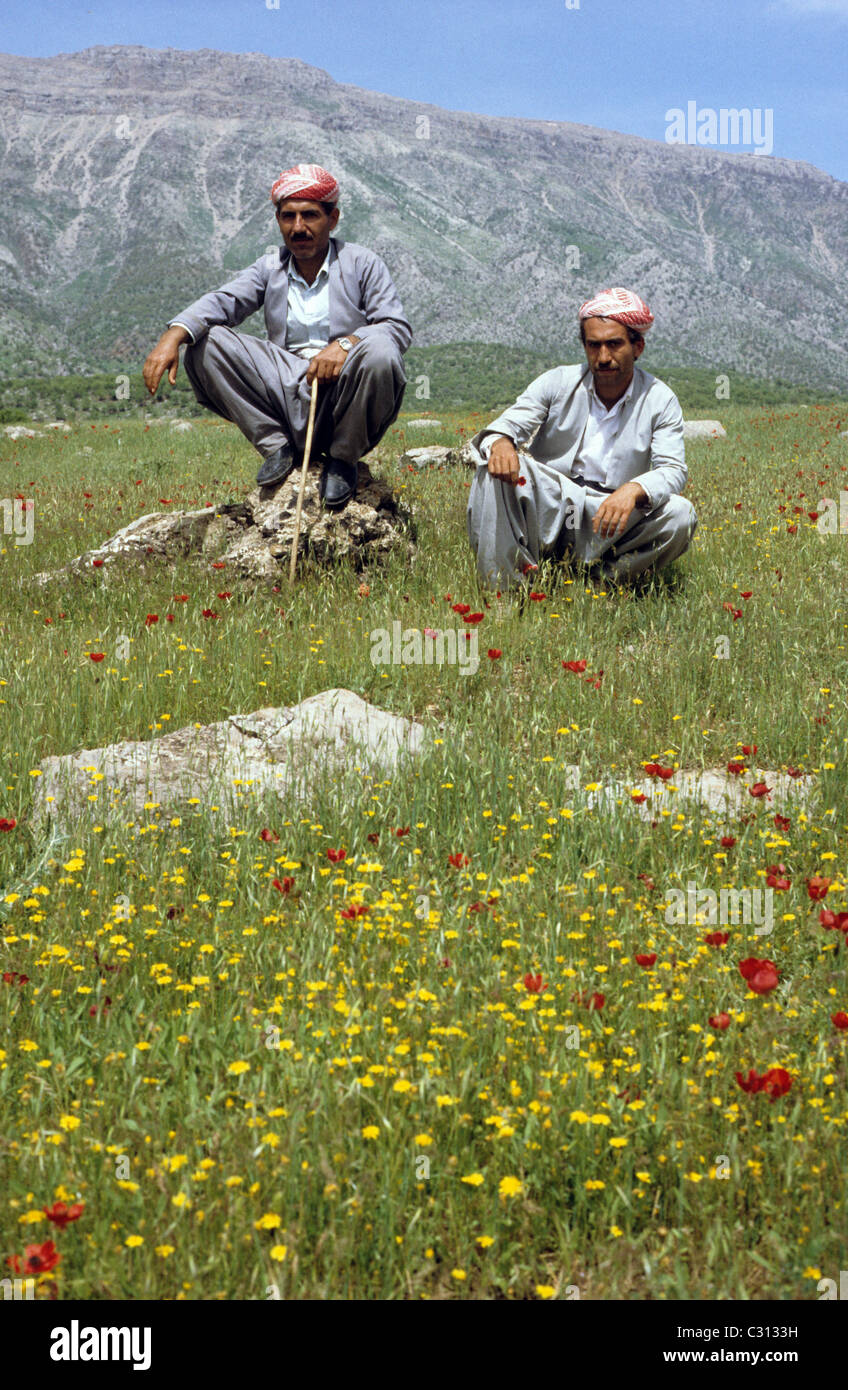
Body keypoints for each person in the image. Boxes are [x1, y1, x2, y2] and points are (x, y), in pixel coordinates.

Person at [143, 163, 412, 509]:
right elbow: (224, 301)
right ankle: (277, 447)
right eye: (288, 217)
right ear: (279, 221)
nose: (298, 228)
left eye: (310, 215)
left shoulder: (363, 263)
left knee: (380, 351)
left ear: (332, 219)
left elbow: (395, 327)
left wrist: (345, 346)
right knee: (204, 344)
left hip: (345, 390)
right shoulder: (270, 266)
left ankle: (343, 460)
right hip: (285, 386)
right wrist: (174, 336)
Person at [466, 287, 697, 587]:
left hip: (612, 513)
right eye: (593, 345)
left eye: (614, 344)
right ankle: (504, 592)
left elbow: (673, 469)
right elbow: (506, 425)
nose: (603, 357)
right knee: (495, 466)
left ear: (637, 346)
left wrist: (634, 489)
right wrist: (501, 443)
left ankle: (599, 587)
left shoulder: (660, 399)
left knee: (680, 515)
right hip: (553, 502)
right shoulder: (559, 381)